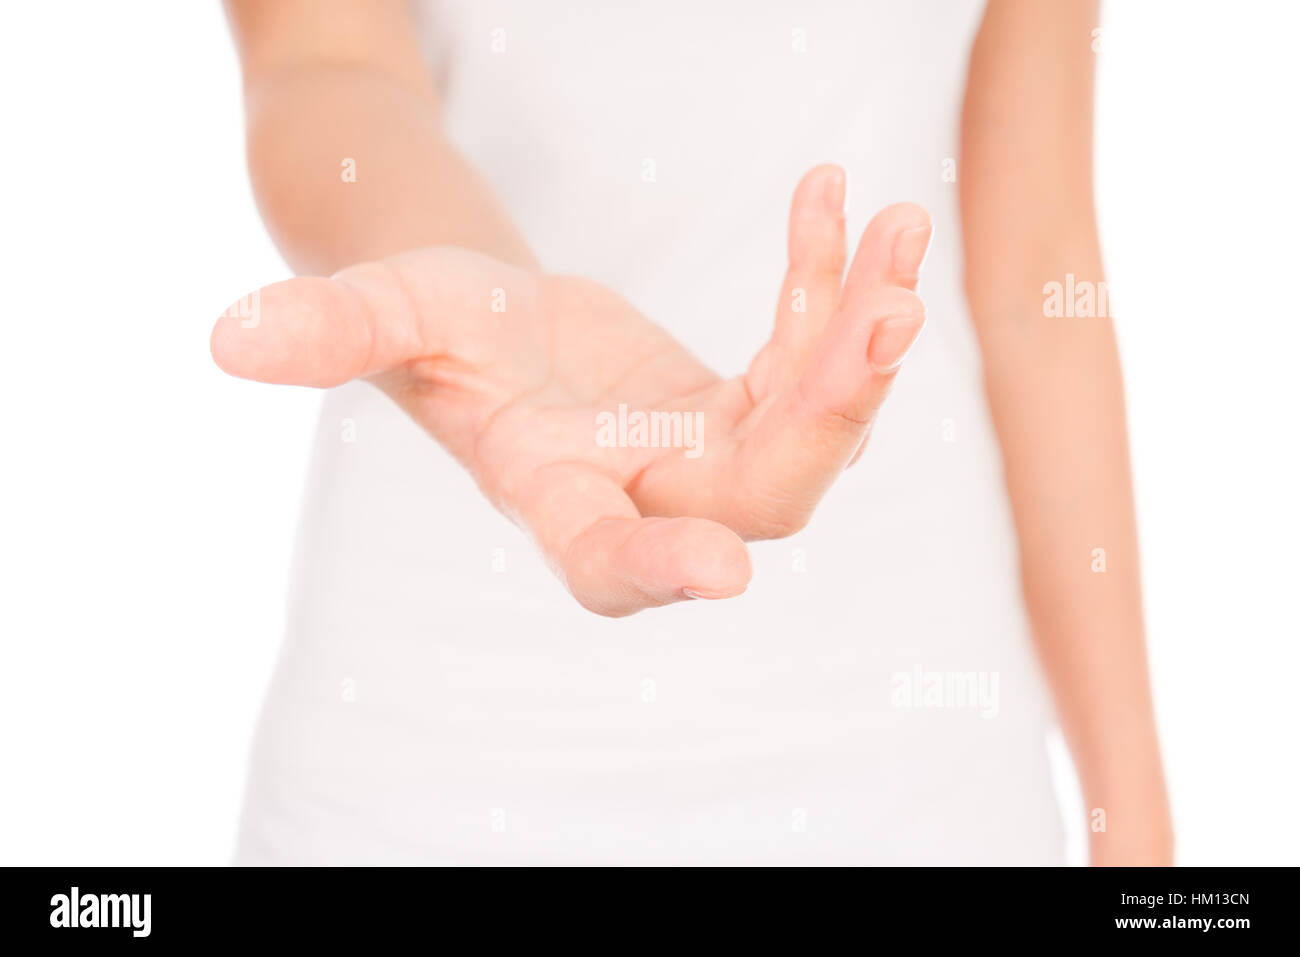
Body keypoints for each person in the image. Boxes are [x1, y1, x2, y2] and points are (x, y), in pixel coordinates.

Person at [212, 0, 1172, 865]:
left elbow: (1037, 281)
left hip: (927, 773)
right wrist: (485, 291)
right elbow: (322, 59)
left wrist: (1134, 827)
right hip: (424, 766)